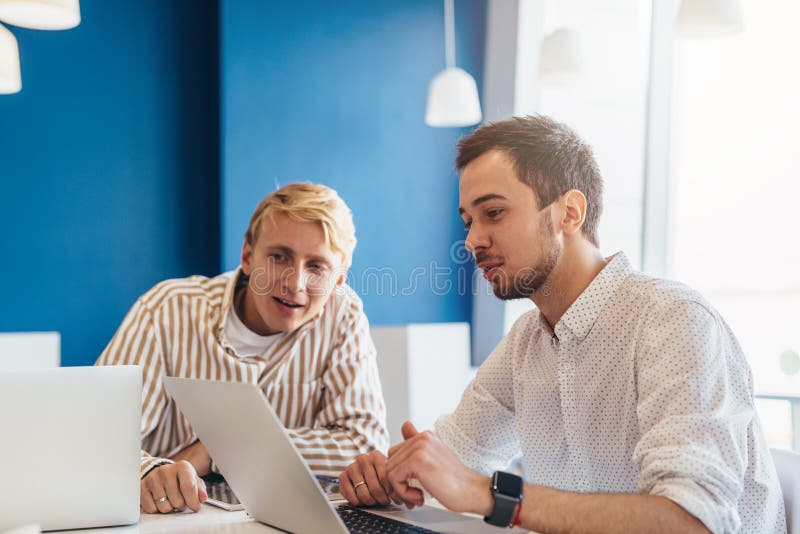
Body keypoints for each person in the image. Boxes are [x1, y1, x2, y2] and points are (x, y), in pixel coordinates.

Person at [339, 116, 785, 533]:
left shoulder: (672, 322)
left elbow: (695, 521)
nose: (472, 239)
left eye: (493, 212)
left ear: (569, 213)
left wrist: (490, 496)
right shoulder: (527, 342)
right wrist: (393, 475)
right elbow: (454, 456)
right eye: (468, 220)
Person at [97, 182, 388, 514]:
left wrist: (221, 449)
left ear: (338, 281)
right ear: (248, 257)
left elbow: (362, 447)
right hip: (166, 518)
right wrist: (149, 471)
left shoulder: (343, 317)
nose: (295, 284)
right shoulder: (167, 310)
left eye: (317, 267)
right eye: (280, 257)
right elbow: (97, 435)